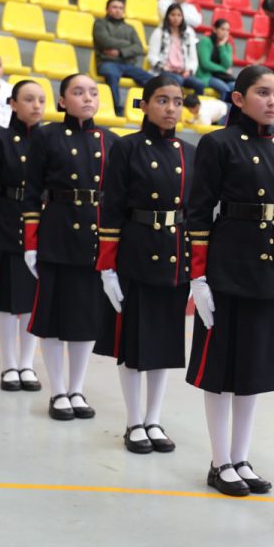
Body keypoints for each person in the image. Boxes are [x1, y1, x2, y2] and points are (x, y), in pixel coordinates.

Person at [186, 65, 274, 495]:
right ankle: (219, 460)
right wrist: (198, 277)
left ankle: (241, 456)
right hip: (227, 268)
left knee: (253, 370)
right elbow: (197, 212)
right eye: (262, 93)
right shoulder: (217, 144)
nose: (271, 101)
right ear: (239, 99)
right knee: (221, 369)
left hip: (266, 274)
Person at [94, 75, 194, 454]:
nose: (171, 109)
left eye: (177, 101)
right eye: (163, 101)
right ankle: (134, 420)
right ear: (145, 105)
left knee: (164, 345)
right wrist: (107, 266)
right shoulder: (126, 148)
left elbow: (194, 211)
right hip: (136, 250)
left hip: (174, 254)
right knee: (135, 344)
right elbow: (111, 207)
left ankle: (154, 419)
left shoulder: (190, 152)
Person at [23, 74, 120, 421]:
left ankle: (76, 388)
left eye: (93, 92)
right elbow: (32, 191)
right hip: (57, 233)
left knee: (84, 318)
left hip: (93, 239)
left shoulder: (110, 140)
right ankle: (57, 390)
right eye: (78, 92)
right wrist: (30, 242)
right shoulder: (47, 136)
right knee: (52, 317)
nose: (87, 98)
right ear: (62, 100)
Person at [0, 80, 44, 391]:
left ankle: (27, 363)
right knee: (7, 300)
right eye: (28, 99)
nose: (36, 106)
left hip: (43, 223)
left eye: (41, 100)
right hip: (6, 219)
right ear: (13, 103)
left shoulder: (49, 140)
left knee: (33, 300)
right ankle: (9, 365)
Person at [94, 0, 156, 115]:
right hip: (107, 62)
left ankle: (145, 109)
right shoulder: (100, 23)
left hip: (127, 64)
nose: (118, 10)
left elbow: (139, 48)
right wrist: (128, 44)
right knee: (112, 74)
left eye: (121, 8)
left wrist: (120, 52)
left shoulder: (130, 28)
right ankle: (116, 109)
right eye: (114, 7)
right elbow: (105, 41)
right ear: (107, 9)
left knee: (152, 81)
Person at [148, 3, 207, 98]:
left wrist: (189, 71)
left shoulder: (187, 36)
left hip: (183, 72)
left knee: (199, 84)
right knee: (178, 80)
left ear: (182, 17)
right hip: (164, 70)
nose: (176, 18)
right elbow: (152, 56)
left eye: (179, 15)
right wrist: (163, 67)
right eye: (173, 15)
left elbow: (193, 59)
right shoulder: (159, 32)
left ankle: (194, 108)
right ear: (167, 16)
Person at [196, 17, 236, 98]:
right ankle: (224, 110)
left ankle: (229, 110)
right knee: (225, 89)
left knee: (235, 87)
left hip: (221, 76)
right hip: (207, 75)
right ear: (214, 29)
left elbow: (227, 64)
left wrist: (221, 47)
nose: (225, 32)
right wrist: (223, 69)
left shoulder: (227, 46)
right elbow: (205, 63)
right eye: (222, 29)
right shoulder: (205, 42)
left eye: (227, 30)